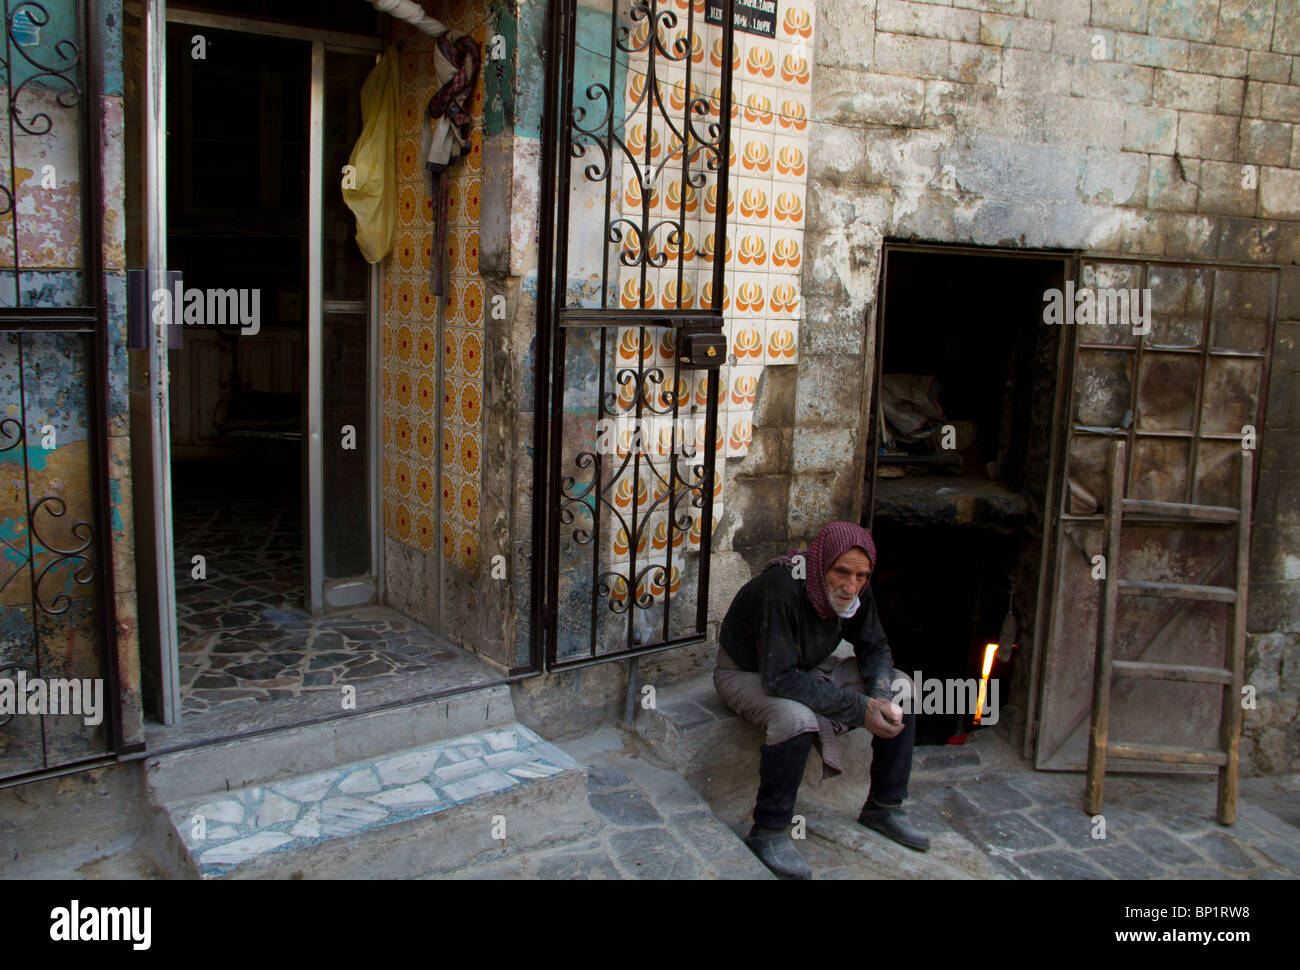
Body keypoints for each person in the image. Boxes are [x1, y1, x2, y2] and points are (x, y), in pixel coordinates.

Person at [713, 520, 928, 880]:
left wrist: (877, 697)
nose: (851, 585)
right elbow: (779, 678)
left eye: (860, 576)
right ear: (821, 565)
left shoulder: (858, 587)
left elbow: (875, 648)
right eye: (841, 573)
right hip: (749, 673)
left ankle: (884, 808)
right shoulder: (781, 587)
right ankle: (768, 832)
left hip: (809, 667)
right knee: (797, 718)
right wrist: (861, 709)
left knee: (901, 690)